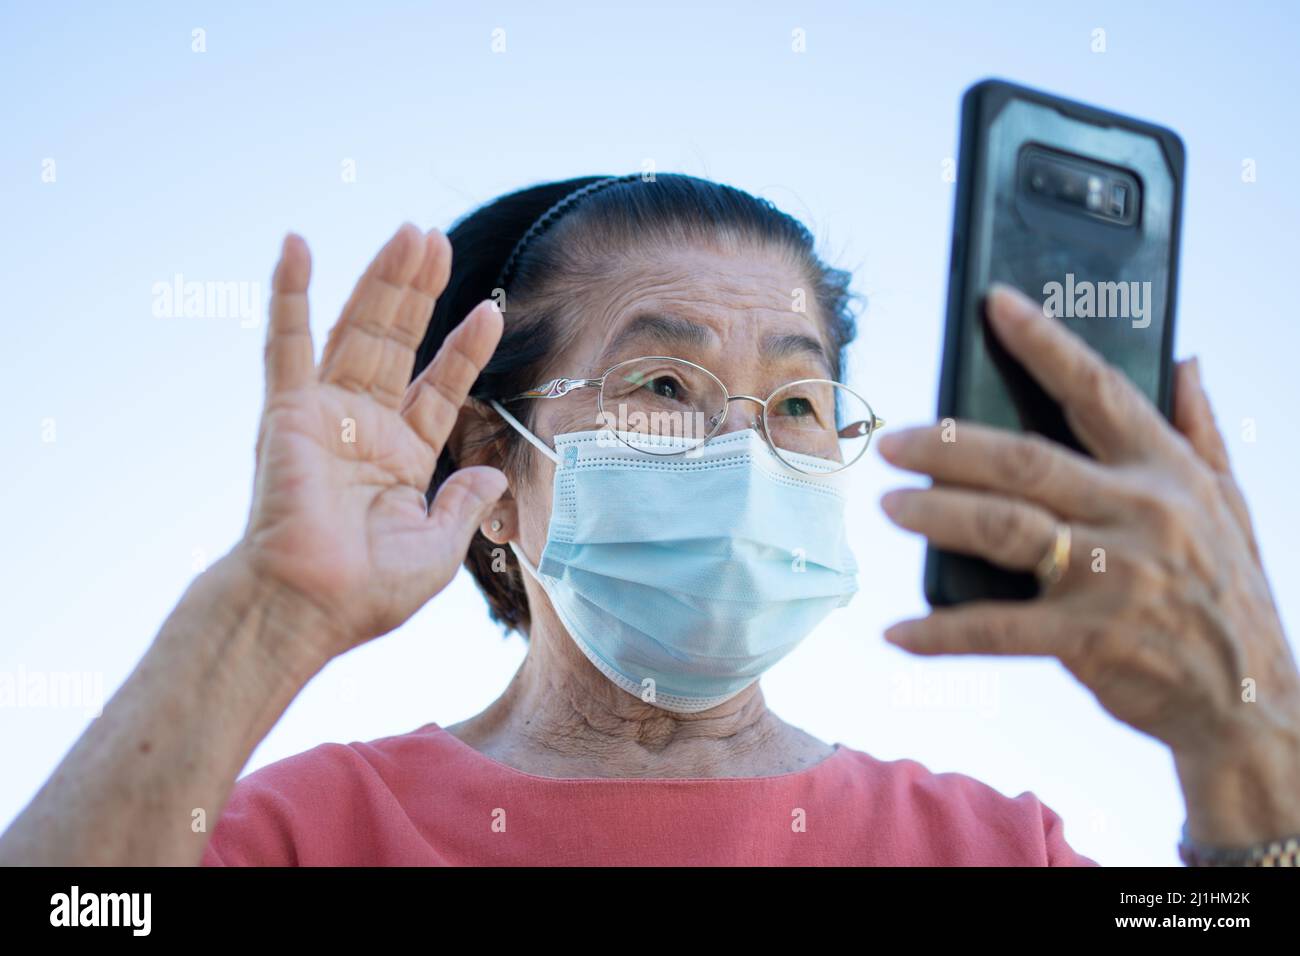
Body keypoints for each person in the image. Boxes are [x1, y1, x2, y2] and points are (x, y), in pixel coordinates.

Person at [2, 174, 1296, 866]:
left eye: (796, 400)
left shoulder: (993, 852)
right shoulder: (301, 836)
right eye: (665, 385)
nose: (744, 445)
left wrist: (1252, 747)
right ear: (485, 467)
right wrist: (261, 613)